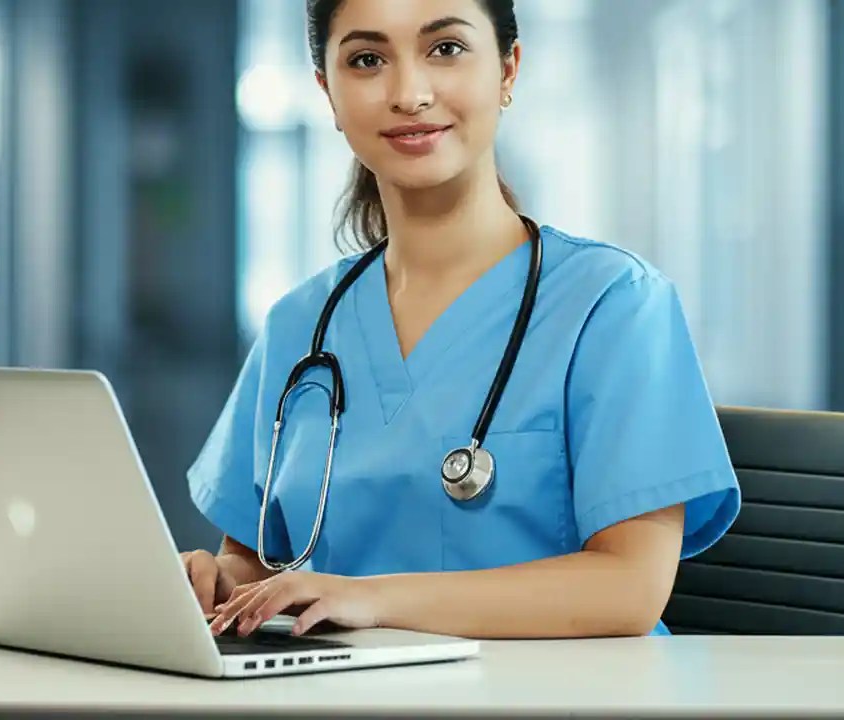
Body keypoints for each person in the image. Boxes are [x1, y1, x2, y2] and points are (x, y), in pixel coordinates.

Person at [182, 0, 740, 640]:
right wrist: (217, 581)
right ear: (328, 94)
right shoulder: (300, 325)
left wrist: (368, 598)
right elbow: (256, 559)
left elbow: (629, 588)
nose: (408, 93)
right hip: (338, 699)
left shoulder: (612, 304)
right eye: (367, 60)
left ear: (508, 70)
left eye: (444, 49)